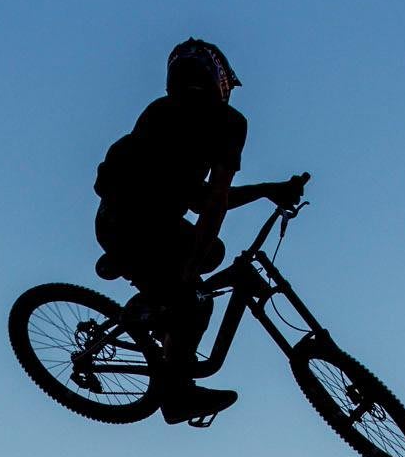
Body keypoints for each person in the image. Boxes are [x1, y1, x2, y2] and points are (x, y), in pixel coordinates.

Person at [94, 37, 308, 425]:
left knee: (211, 254)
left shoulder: (160, 112)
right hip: (140, 228)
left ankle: (157, 310)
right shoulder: (228, 123)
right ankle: (176, 396)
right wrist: (190, 267)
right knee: (196, 297)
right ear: (219, 80)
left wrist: (265, 191)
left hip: (119, 226)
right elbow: (212, 202)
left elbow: (201, 198)